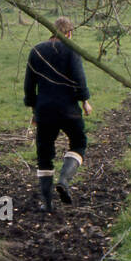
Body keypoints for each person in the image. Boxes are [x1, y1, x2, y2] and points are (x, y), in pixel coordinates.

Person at [24, 17, 91, 212]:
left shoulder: (36, 51)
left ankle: (47, 204)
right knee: (79, 143)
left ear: (52, 31)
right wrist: (85, 100)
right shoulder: (71, 50)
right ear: (69, 33)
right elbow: (79, 78)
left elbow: (29, 85)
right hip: (69, 110)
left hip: (44, 111)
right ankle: (63, 180)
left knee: (44, 155)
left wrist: (33, 108)